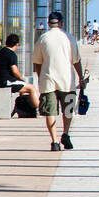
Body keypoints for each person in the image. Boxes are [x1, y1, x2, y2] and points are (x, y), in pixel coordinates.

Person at [31, 10, 86, 152]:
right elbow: (76, 61)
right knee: (68, 110)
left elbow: (37, 62)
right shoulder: (69, 38)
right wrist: (81, 78)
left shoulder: (42, 38)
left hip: (48, 80)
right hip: (67, 80)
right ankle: (66, 133)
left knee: (50, 112)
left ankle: (54, 141)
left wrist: (40, 76)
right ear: (61, 23)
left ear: (49, 23)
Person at [0, 33, 40, 112]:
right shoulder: (11, 54)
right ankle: (40, 108)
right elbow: (15, 70)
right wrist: (21, 79)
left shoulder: (2, 51)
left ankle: (23, 109)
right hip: (6, 82)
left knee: (24, 88)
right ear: (17, 44)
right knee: (31, 88)